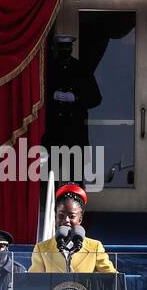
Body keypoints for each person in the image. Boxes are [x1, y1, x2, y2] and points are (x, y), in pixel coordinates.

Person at [43, 34, 103, 186]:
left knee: (75, 175)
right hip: (54, 130)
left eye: (67, 48)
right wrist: (52, 95)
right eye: (61, 48)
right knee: (51, 175)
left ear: (71, 49)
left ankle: (76, 206)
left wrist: (76, 97)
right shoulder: (48, 69)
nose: (64, 51)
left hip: (75, 131)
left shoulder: (81, 69)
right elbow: (38, 95)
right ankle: (52, 206)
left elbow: (96, 98)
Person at [30, 184, 116, 273]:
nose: (66, 220)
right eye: (61, 215)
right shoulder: (41, 249)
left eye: (71, 216)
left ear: (80, 219)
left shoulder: (95, 247)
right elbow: (33, 282)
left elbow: (113, 279)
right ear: (55, 217)